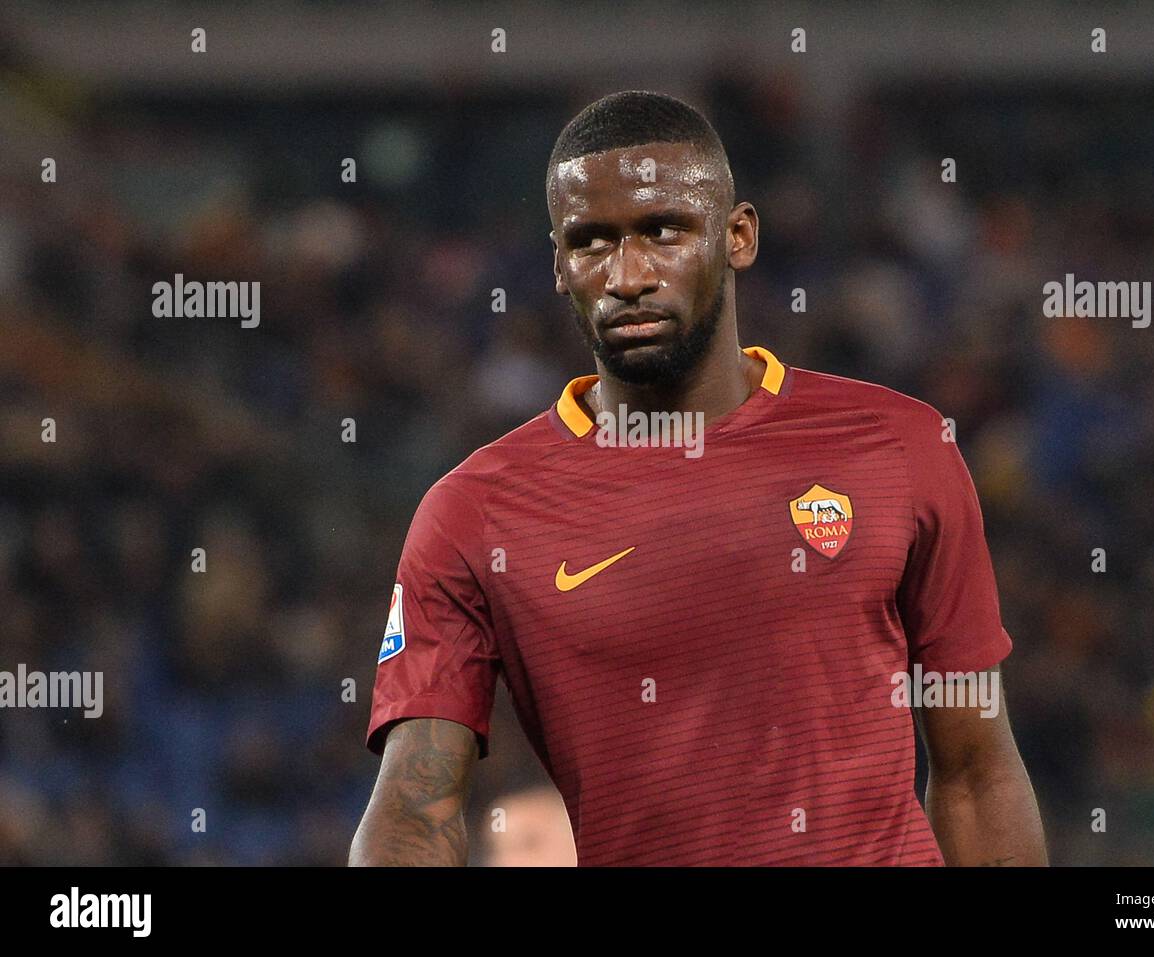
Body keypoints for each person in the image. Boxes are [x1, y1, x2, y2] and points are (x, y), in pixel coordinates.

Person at [349, 90, 1047, 866]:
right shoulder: (473, 515)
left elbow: (977, 768)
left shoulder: (901, 446)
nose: (629, 274)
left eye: (662, 230)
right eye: (591, 242)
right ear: (556, 265)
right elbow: (415, 807)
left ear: (737, 235)